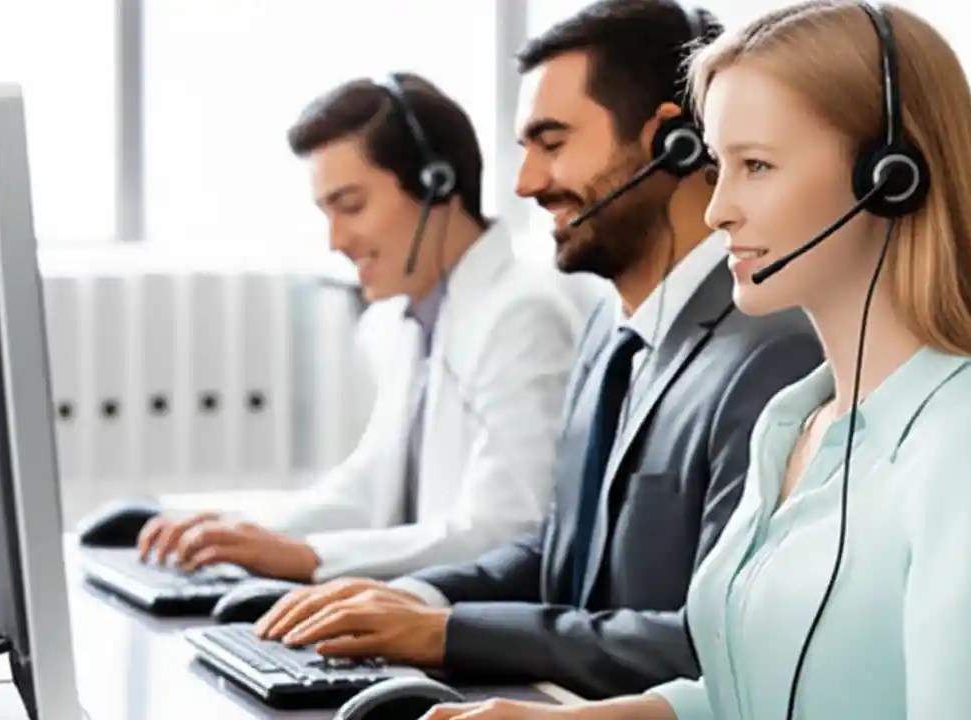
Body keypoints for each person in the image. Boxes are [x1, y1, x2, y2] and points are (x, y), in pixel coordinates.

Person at [420, 2, 971, 718]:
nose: (716, 209)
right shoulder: (793, 420)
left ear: (890, 177)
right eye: (719, 165)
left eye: (756, 166)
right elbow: (746, 694)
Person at [250, 0, 822, 699]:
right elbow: (555, 549)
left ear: (668, 145)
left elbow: (713, 641)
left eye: (552, 144)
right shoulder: (611, 336)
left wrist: (451, 633)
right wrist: (419, 599)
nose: (524, 183)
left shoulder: (770, 356)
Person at [135, 74, 586, 583]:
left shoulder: (522, 315)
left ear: (438, 184)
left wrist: (307, 560)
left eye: (350, 207)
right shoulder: (400, 321)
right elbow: (369, 486)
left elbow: (505, 529)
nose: (336, 240)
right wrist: (238, 530)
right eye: (327, 213)